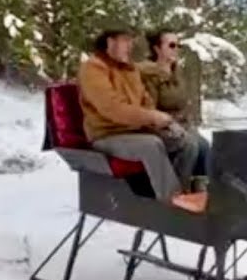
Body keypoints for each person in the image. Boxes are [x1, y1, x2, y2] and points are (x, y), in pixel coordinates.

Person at [77, 28, 206, 209]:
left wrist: (164, 122)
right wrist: (151, 116)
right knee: (151, 145)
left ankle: (182, 195)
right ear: (110, 43)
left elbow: (145, 101)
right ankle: (170, 200)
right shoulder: (93, 68)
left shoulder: (129, 69)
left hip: (135, 131)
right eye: (125, 41)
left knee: (188, 143)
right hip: (107, 134)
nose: (130, 46)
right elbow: (112, 108)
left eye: (131, 41)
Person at [138, 29, 212, 191]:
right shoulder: (149, 75)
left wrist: (186, 121)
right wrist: (170, 124)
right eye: (171, 45)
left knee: (204, 145)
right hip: (156, 127)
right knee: (190, 145)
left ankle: (200, 188)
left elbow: (183, 103)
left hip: (180, 124)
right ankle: (177, 190)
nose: (176, 49)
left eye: (178, 46)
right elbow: (149, 109)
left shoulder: (177, 72)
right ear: (157, 49)